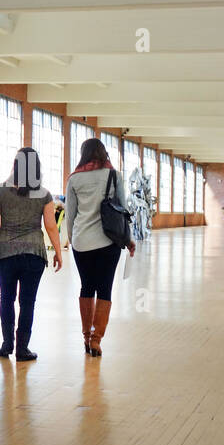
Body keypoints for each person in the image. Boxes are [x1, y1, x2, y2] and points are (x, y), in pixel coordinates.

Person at [0, 147, 63, 362]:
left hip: (6, 253)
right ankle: (22, 349)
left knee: (6, 298)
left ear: (15, 165)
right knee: (28, 302)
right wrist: (58, 251)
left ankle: (6, 344)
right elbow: (51, 226)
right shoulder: (44, 194)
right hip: (34, 254)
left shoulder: (0, 190)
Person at [65, 138, 135, 357]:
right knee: (104, 288)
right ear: (104, 153)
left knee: (86, 287)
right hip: (108, 242)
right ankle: (96, 340)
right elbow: (123, 210)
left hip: (82, 243)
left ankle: (86, 336)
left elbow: (70, 215)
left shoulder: (74, 179)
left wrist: (72, 240)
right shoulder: (114, 175)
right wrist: (128, 239)